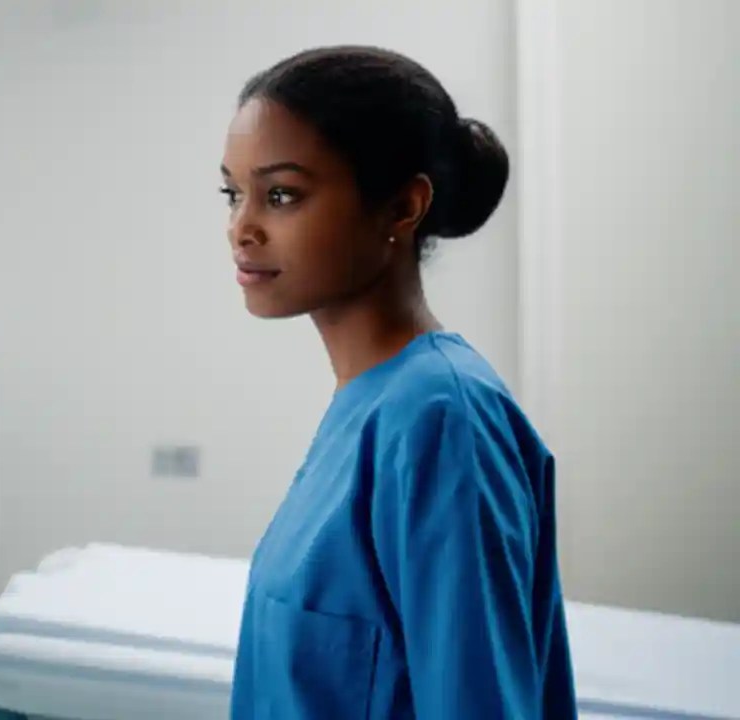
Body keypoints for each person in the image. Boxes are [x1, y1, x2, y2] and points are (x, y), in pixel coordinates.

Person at [220, 46, 577, 718]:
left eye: (281, 195)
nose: (242, 227)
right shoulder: (370, 404)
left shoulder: (441, 419)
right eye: (233, 193)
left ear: (402, 207)